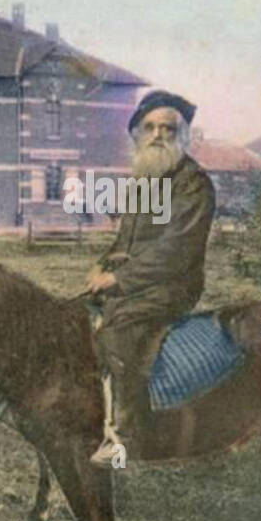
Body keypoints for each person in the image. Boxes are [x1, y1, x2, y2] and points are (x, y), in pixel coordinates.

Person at [85, 91, 215, 466]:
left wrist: (118, 281)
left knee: (119, 329)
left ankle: (127, 439)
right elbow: (124, 242)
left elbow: (176, 251)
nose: (158, 135)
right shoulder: (144, 182)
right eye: (150, 128)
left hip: (173, 285)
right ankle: (98, 415)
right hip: (137, 280)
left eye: (168, 129)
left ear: (183, 136)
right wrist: (101, 266)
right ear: (138, 135)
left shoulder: (194, 184)